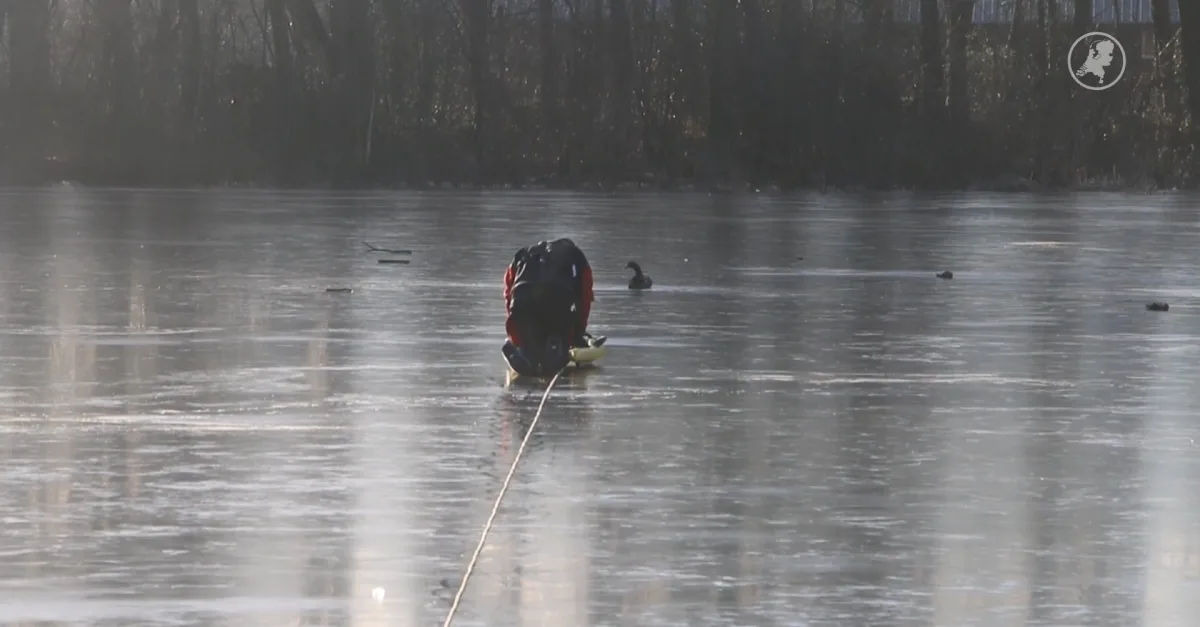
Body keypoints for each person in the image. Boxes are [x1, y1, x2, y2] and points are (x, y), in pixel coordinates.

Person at [502, 238, 603, 375]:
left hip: (522, 301)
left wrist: (514, 333)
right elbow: (585, 297)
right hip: (558, 302)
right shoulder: (576, 256)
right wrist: (578, 333)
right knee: (558, 337)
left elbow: (508, 293)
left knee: (528, 342)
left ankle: (522, 356)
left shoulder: (523, 254)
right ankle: (555, 349)